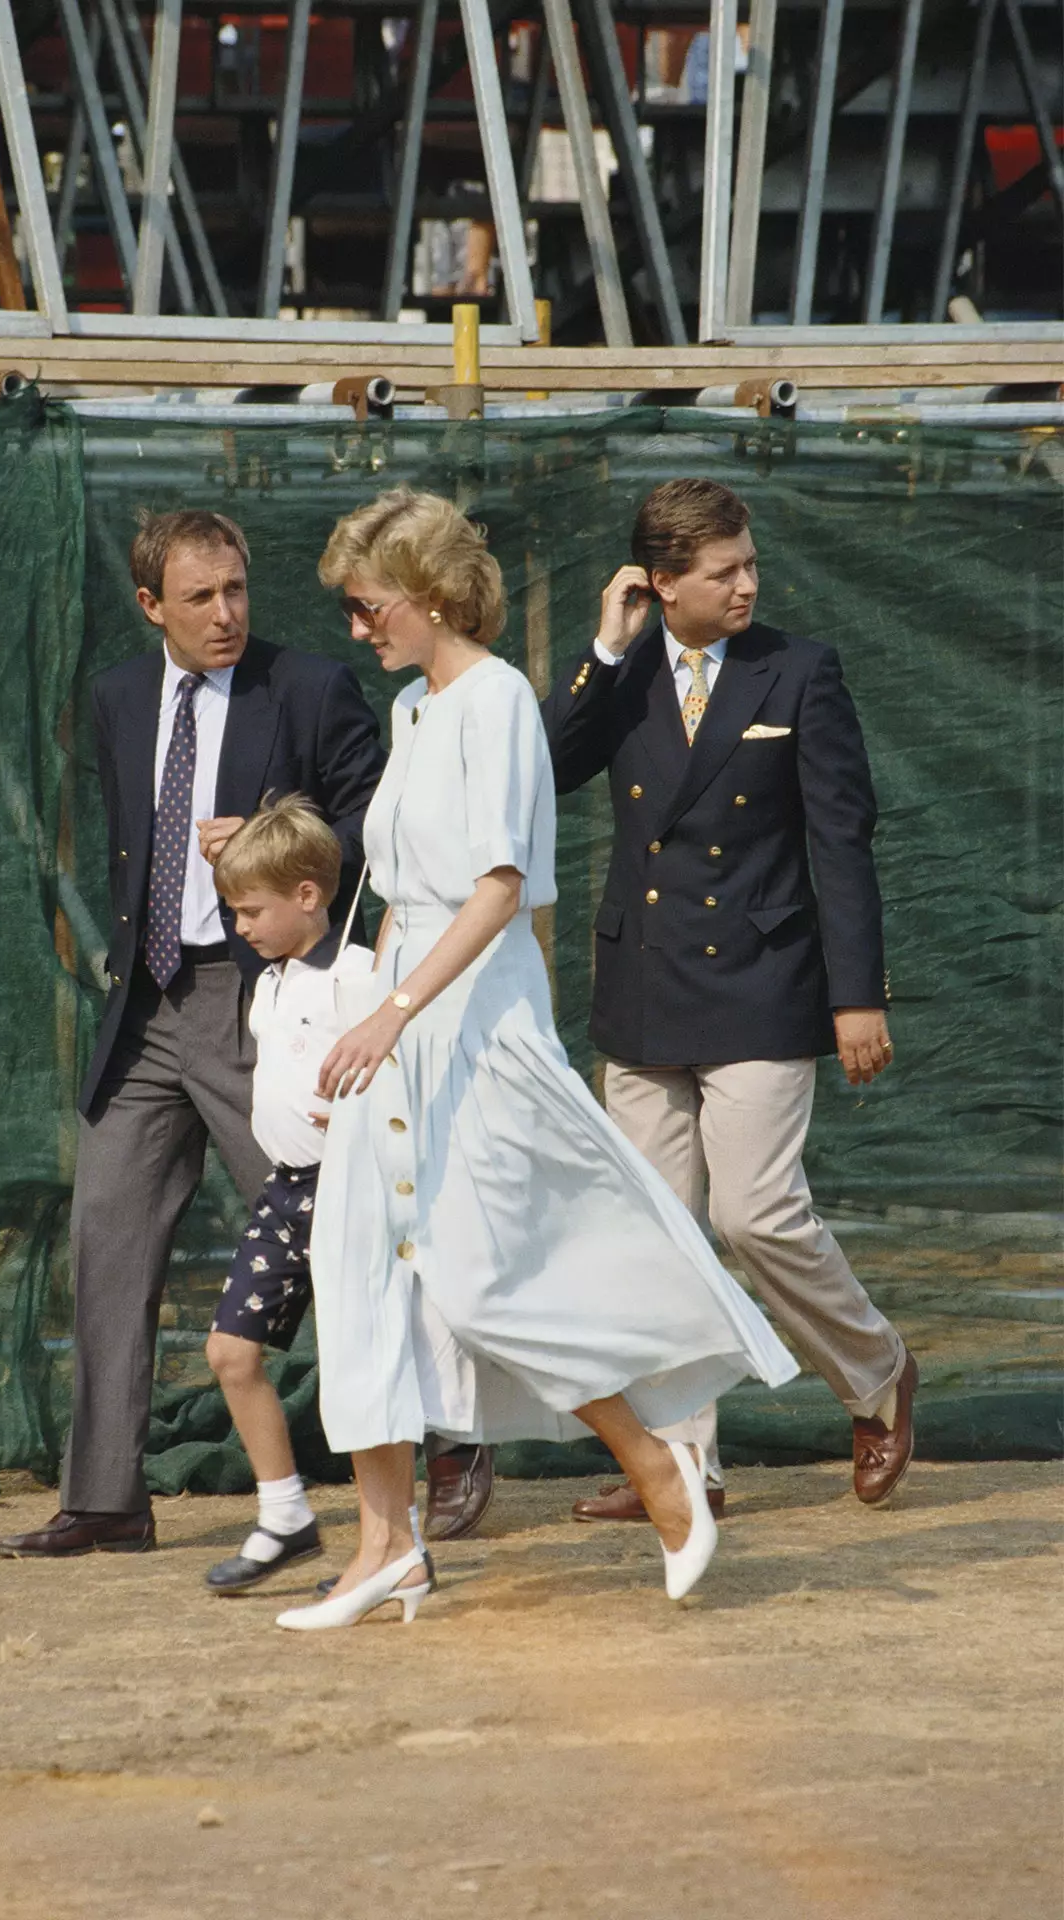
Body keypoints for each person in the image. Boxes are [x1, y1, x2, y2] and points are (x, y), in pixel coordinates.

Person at [273, 487, 799, 1632]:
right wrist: (350, 1011)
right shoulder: (411, 710)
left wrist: (393, 1011)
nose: (357, 630)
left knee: (483, 1275)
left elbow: (499, 887)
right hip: (396, 1026)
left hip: (472, 1021)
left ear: (426, 595)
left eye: (371, 608)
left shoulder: (500, 699)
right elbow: (397, 891)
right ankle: (385, 1549)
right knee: (357, 1271)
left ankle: (658, 1465)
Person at [0, 509, 384, 1559]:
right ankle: (108, 1498)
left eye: (237, 591)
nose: (226, 615)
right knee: (106, 1236)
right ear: (149, 606)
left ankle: (442, 1448)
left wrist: (276, 841)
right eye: (201, 597)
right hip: (145, 1006)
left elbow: (376, 823)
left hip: (263, 1001)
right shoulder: (120, 699)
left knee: (341, 1227)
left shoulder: (305, 687)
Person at [541, 477, 917, 1525]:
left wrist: (856, 997)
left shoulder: (797, 671)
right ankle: (682, 1464)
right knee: (655, 1237)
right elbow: (546, 766)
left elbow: (839, 841)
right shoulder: (618, 676)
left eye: (748, 564)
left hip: (762, 982)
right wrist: (604, 650)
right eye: (722, 571)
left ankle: (876, 1374)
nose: (747, 584)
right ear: (660, 584)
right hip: (644, 983)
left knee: (750, 1213)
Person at [201, 795, 377, 1593]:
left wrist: (357, 1111)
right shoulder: (268, 983)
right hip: (287, 1196)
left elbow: (397, 1069)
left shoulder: (361, 974)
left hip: (354, 1195)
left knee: (361, 1370)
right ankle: (285, 1517)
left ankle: (394, 1540)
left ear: (308, 896)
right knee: (230, 1354)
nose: (240, 927)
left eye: (250, 911)